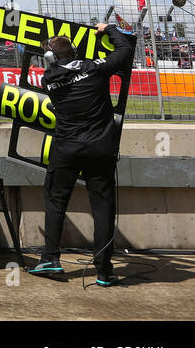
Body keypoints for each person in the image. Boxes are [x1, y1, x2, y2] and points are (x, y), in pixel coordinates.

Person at [30, 19, 136, 286]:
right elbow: (124, 51)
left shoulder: (49, 80)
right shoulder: (94, 69)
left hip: (67, 148)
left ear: (50, 58)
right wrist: (109, 29)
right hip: (101, 148)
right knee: (103, 207)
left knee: (55, 200)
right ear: (74, 52)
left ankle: (51, 259)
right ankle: (103, 270)